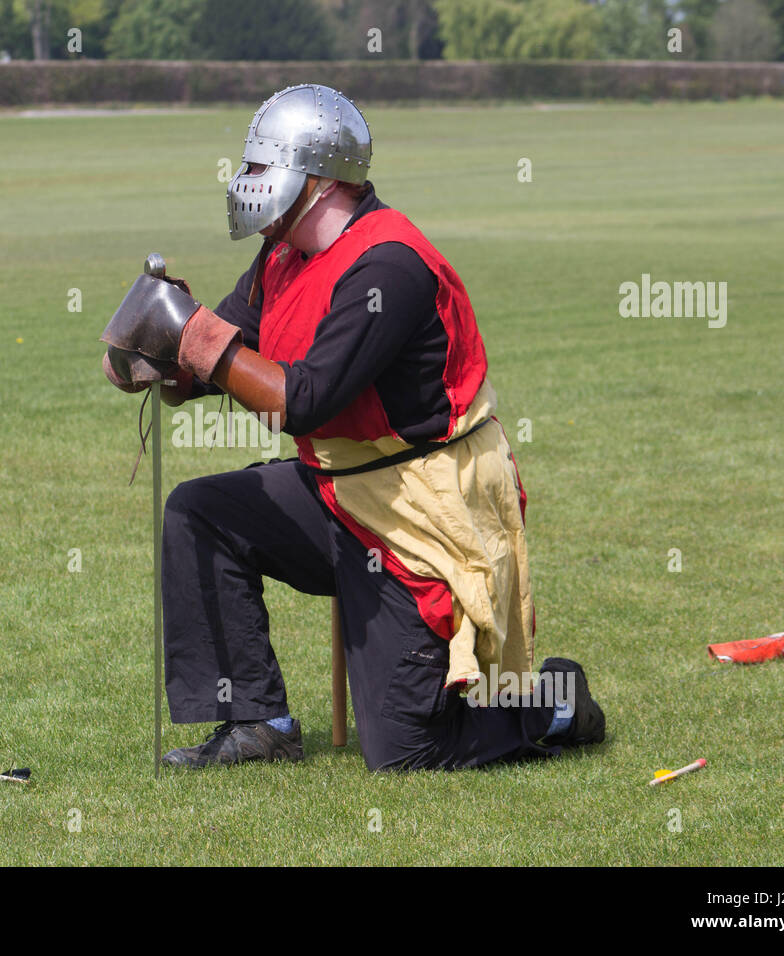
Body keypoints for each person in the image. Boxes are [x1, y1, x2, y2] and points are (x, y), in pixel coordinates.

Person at [101, 84, 605, 771]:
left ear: (317, 178)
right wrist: (158, 362)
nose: (247, 185)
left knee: (405, 750)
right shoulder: (281, 258)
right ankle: (259, 723)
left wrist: (197, 338)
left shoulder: (388, 265)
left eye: (260, 168)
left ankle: (552, 699)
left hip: (418, 508)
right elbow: (228, 358)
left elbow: (302, 401)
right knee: (200, 513)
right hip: (338, 487)